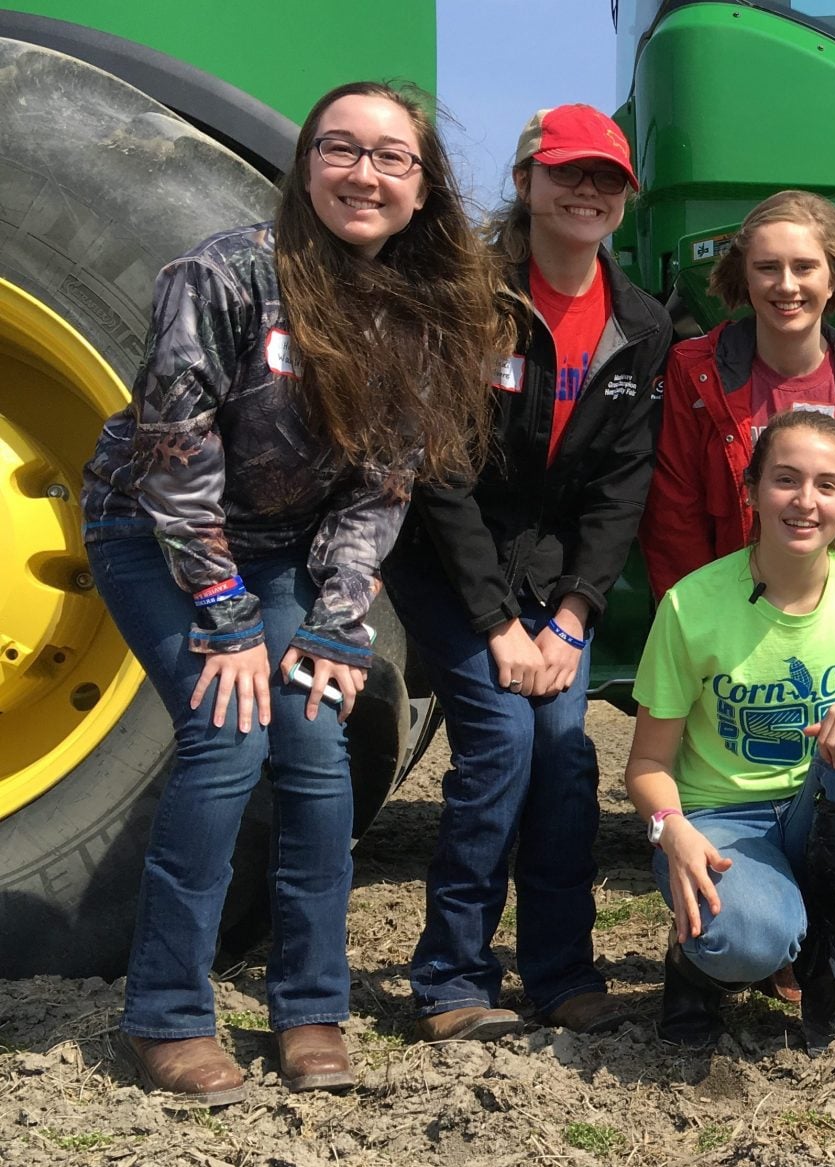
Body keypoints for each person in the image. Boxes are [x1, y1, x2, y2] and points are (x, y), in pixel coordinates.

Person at [80, 81, 501, 1103]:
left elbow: (380, 486)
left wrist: (336, 623)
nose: (365, 173)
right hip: (157, 534)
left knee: (318, 746)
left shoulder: (422, 314)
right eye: (341, 150)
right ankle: (168, 1014)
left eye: (391, 158)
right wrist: (226, 622)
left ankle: (311, 1008)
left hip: (288, 550)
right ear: (306, 165)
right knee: (225, 741)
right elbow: (178, 459)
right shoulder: (223, 273)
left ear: (421, 186)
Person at [381, 105, 673, 1043]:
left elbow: (621, 488)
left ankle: (561, 974)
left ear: (626, 199)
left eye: (606, 179)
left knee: (565, 754)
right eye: (567, 174)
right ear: (526, 183)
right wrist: (501, 625)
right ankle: (452, 979)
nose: (586, 192)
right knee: (504, 743)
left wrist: (577, 613)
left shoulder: (641, 324)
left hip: (554, 580)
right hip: (449, 558)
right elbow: (444, 473)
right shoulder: (469, 298)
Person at [623, 411, 835, 1049]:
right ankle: (702, 957)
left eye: (826, 485)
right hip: (725, 821)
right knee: (749, 940)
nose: (805, 501)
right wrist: (673, 833)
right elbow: (645, 766)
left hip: (824, 815)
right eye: (786, 480)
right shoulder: (690, 605)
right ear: (751, 490)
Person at [641, 190, 835, 599]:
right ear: (745, 276)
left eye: (805, 267)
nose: (787, 285)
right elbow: (673, 519)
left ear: (833, 279)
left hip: (833, 622)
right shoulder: (693, 373)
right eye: (767, 268)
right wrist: (700, 620)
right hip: (722, 616)